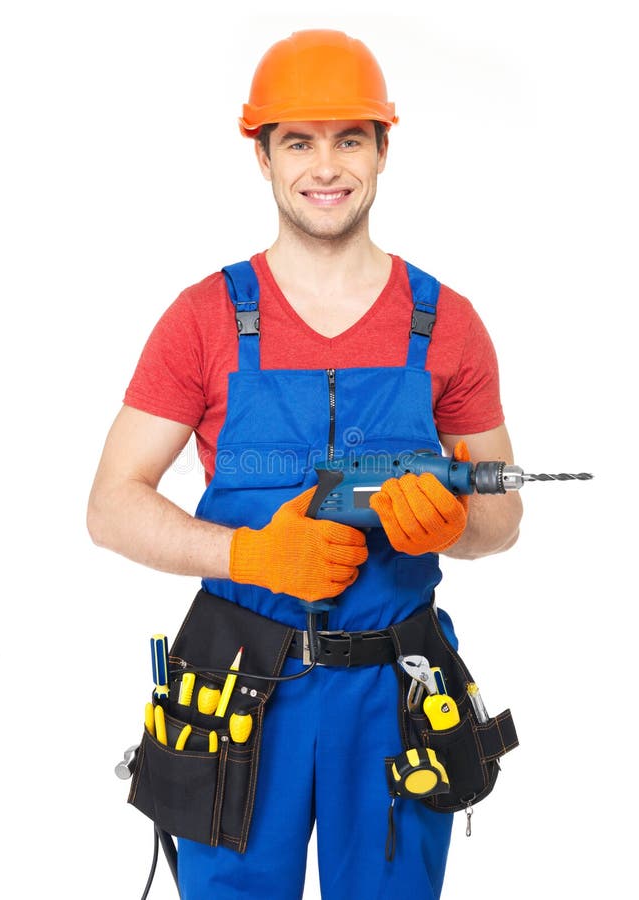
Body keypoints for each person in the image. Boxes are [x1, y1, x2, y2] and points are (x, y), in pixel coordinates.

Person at [88, 28, 522, 900]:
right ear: (263, 155)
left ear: (383, 149)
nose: (326, 166)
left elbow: (500, 518)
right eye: (299, 141)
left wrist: (458, 523)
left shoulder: (448, 322)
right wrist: (244, 555)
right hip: (242, 691)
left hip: (396, 695)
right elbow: (111, 505)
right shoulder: (204, 319)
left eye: (349, 138)